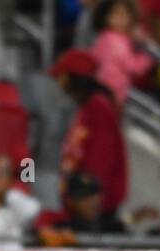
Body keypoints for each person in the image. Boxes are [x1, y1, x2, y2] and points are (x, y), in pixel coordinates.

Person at [50, 47, 128, 216]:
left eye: (61, 76)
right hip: (80, 203)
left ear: (70, 78)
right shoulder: (86, 107)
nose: (58, 82)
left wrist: (87, 197)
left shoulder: (98, 107)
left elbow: (101, 160)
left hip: (92, 207)